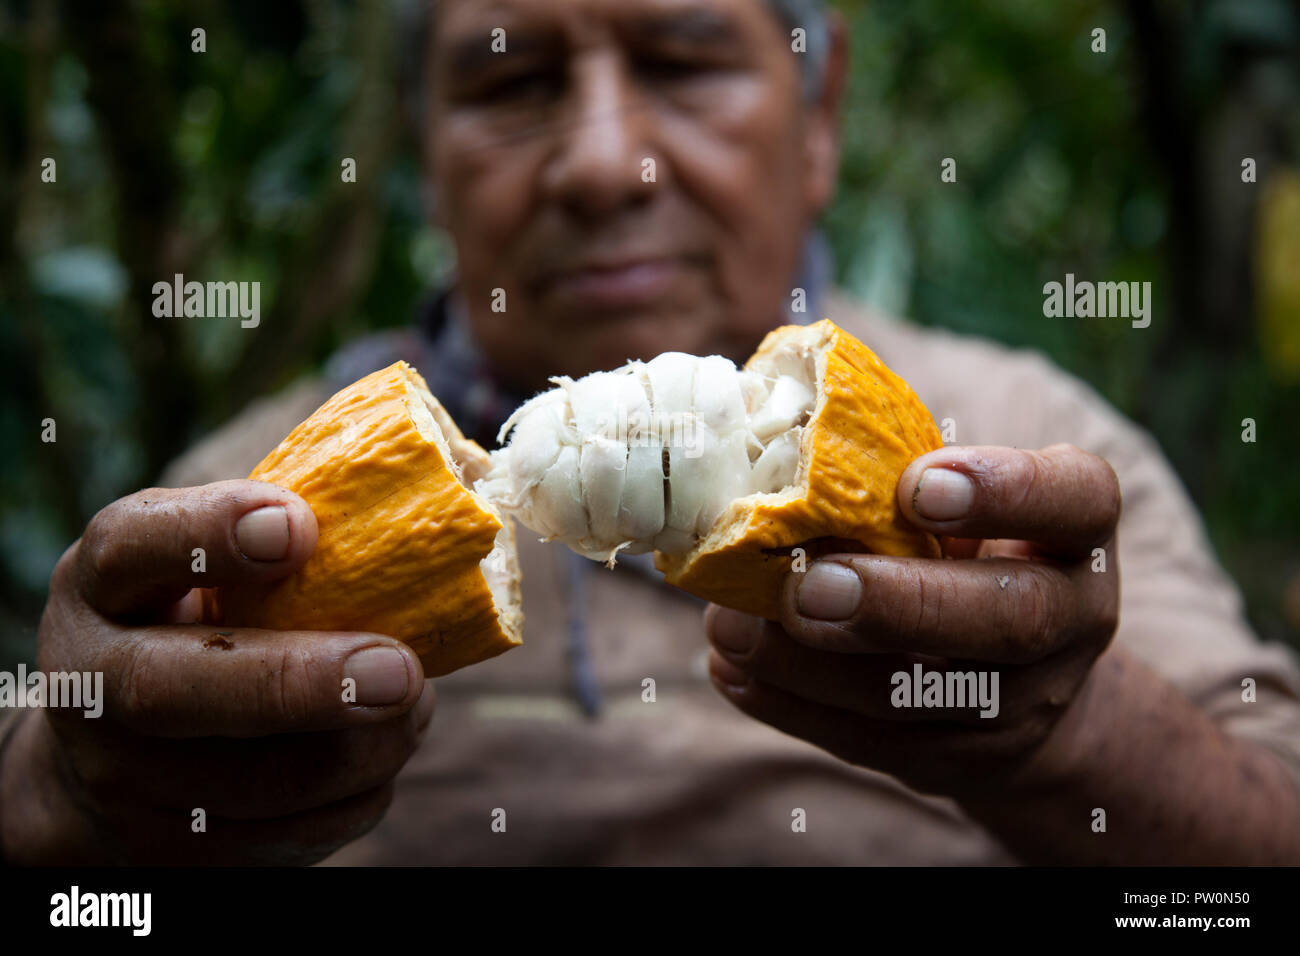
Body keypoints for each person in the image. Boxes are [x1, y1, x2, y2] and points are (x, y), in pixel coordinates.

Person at [3, 0, 1300, 865]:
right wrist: (67, 803)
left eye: (683, 63)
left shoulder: (1012, 445)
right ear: (422, 152)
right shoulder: (249, 506)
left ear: (823, 109)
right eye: (512, 81)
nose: (603, 161)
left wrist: (1067, 739)